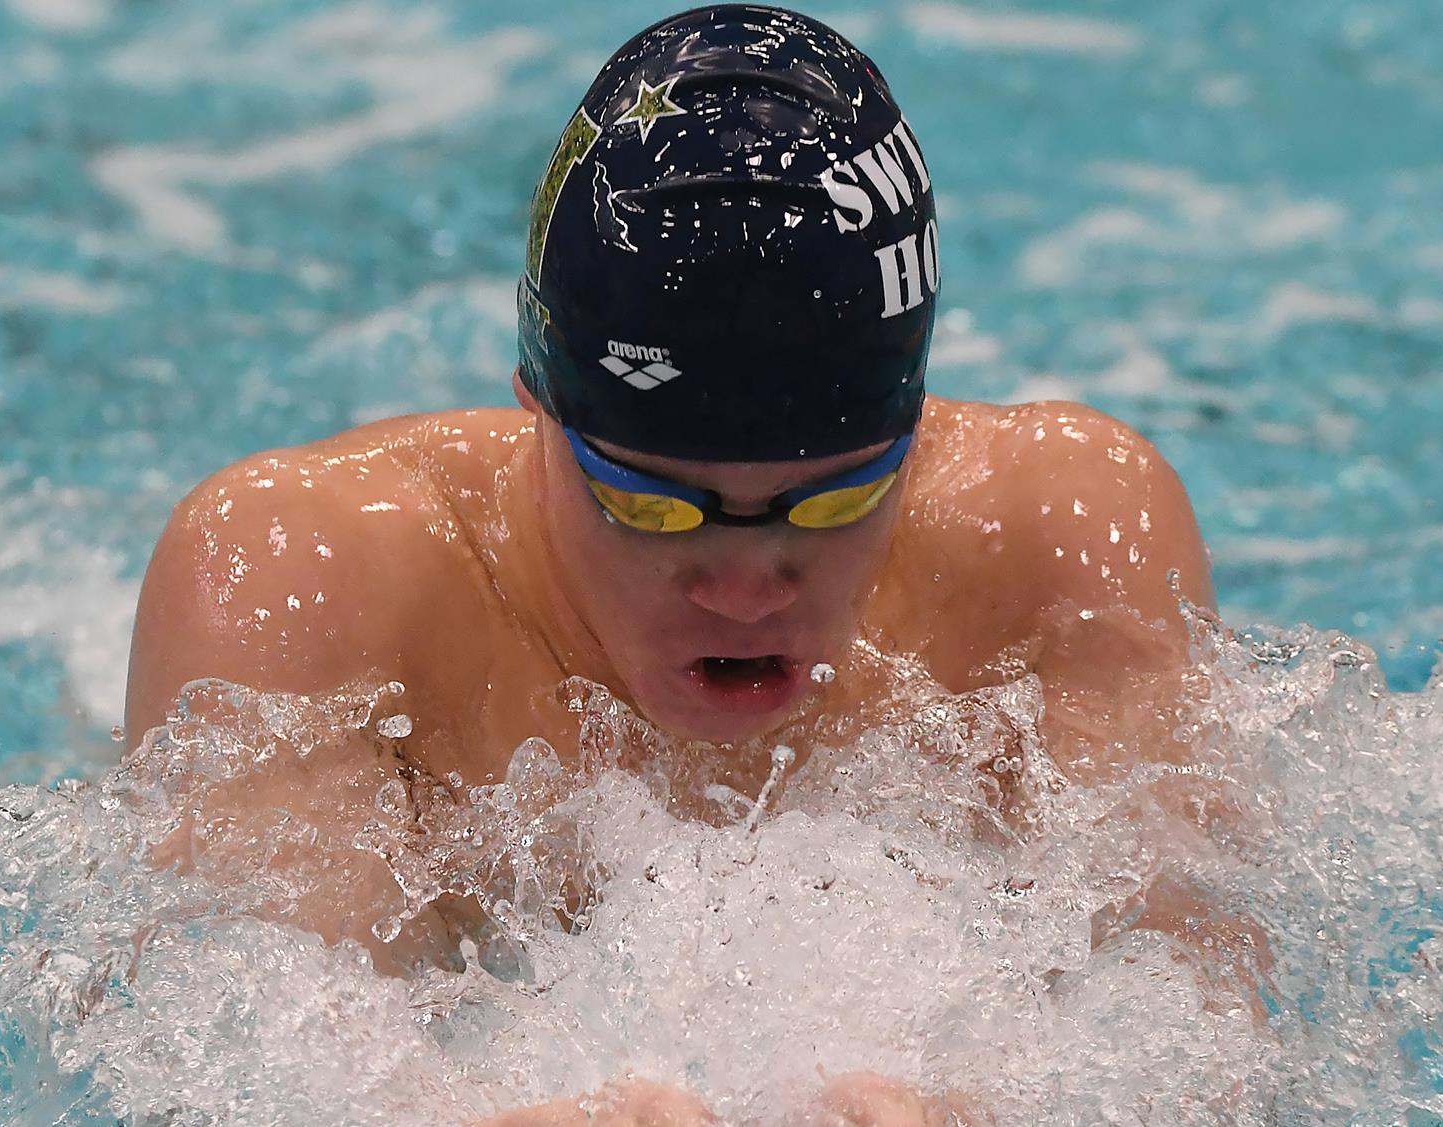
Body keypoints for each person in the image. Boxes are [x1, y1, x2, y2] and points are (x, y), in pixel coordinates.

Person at [124, 5, 1231, 1123]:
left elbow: (1198, 1040)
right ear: (536, 407)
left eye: (834, 499)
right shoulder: (307, 582)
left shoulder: (1060, 544)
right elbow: (238, 1071)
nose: (744, 588)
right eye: (651, 505)